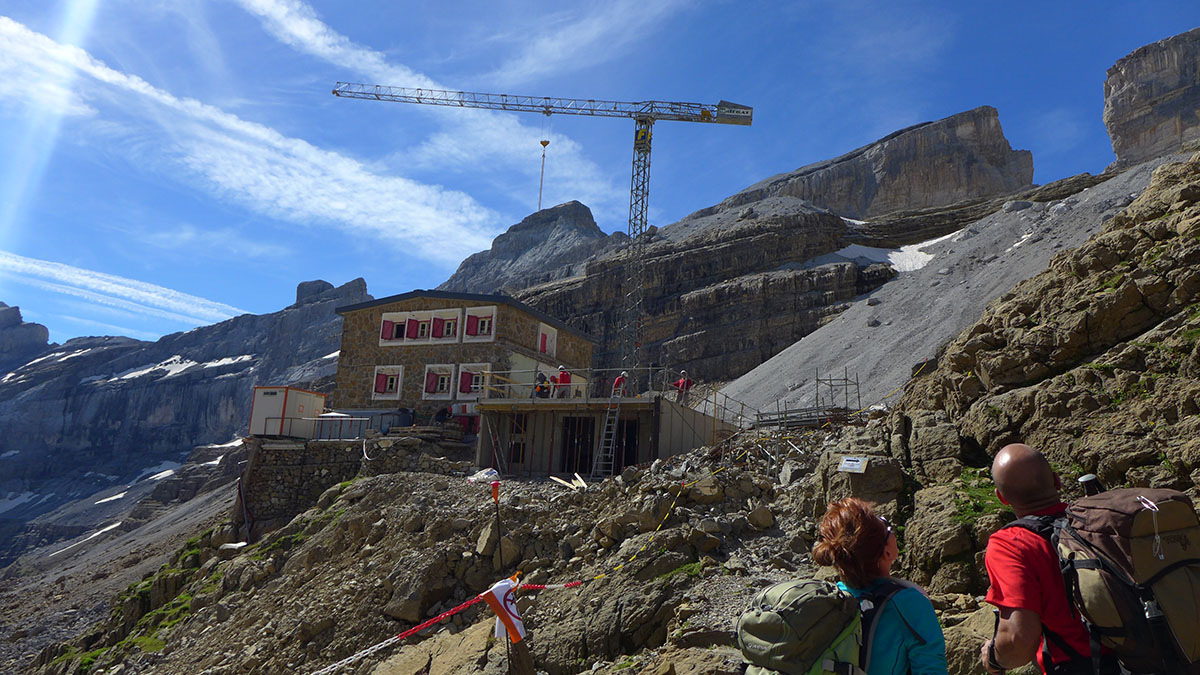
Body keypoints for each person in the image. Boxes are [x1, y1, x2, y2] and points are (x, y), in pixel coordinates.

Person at [980, 444, 1119, 675]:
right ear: (1057, 481)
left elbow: (1018, 640)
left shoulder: (1010, 544)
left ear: (1001, 498)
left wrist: (993, 658)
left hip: (1084, 666)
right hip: (1151, 657)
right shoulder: (1099, 520)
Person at [814, 497, 947, 675]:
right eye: (886, 526)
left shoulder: (830, 599)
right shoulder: (910, 604)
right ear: (887, 552)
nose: (891, 528)